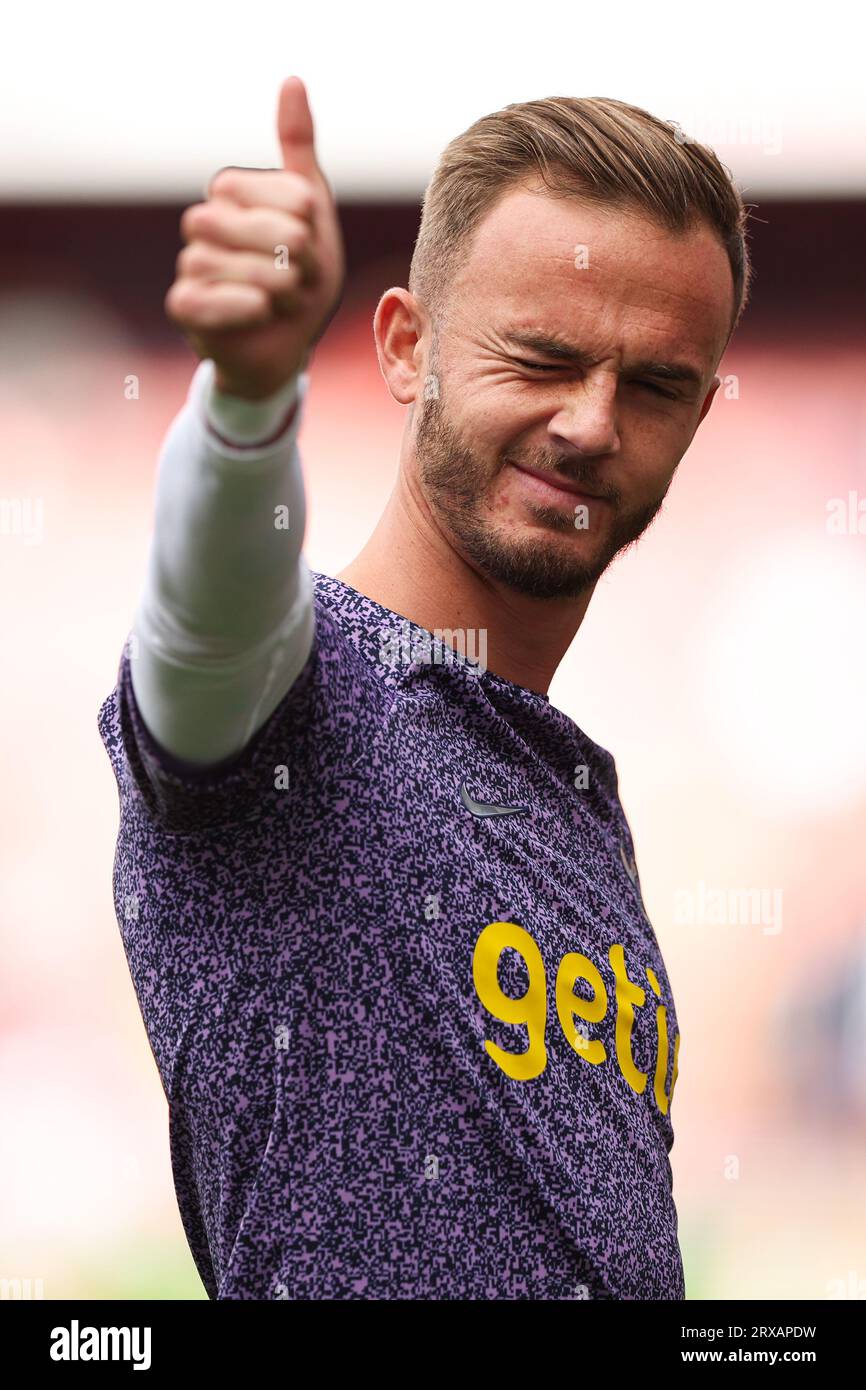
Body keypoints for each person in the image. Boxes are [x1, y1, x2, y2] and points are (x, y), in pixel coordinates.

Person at [98, 76, 751, 1299]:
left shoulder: (567, 797)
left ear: (702, 413)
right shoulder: (294, 692)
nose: (590, 425)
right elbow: (204, 616)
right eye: (541, 357)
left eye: (654, 385)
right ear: (405, 348)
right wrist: (244, 405)